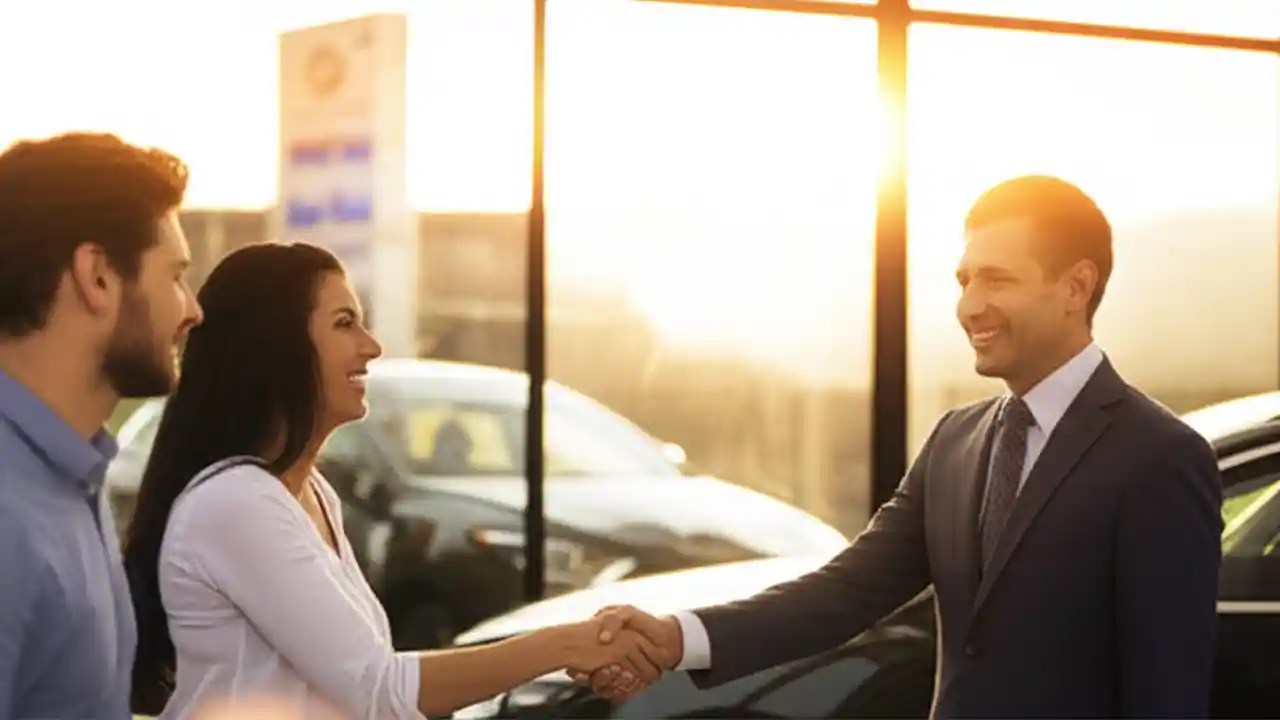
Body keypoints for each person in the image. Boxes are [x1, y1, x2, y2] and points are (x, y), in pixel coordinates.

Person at [586, 175, 1224, 718]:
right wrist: (678, 637)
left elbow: (1166, 692)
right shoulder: (956, 440)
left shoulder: (1161, 458)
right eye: (965, 279)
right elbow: (846, 592)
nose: (971, 305)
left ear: (1076, 288)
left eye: (996, 279)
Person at [122, 242, 660, 720]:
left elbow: (372, 683)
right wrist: (566, 645)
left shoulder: (312, 494)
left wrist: (581, 649)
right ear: (278, 346)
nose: (371, 346)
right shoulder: (236, 502)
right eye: (343, 323)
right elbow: (378, 689)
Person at [0, 132, 202, 719]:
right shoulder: (9, 512)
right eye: (175, 275)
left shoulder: (70, 477)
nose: (192, 308)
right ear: (98, 276)